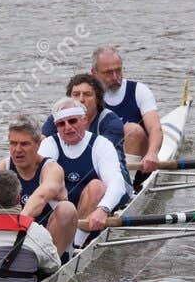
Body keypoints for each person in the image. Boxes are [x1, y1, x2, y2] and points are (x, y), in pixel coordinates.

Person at [0, 116, 77, 259]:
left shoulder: (52, 169)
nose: (17, 150)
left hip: (47, 245)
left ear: (39, 143)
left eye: (24, 144)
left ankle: (50, 267)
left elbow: (40, 198)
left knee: (67, 209)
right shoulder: (2, 167)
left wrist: (16, 229)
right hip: (13, 242)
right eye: (13, 143)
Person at [39, 96, 127, 248]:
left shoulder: (101, 145)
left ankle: (76, 244)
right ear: (56, 126)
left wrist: (103, 209)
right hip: (56, 213)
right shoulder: (49, 144)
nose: (67, 127)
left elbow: (118, 184)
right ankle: (58, 245)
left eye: (72, 121)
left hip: (89, 219)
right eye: (61, 124)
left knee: (97, 186)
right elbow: (41, 186)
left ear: (84, 119)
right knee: (50, 181)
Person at [40, 73, 131, 190]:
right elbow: (41, 144)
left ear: (98, 99)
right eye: (76, 95)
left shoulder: (111, 122)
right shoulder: (57, 119)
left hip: (111, 181)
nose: (81, 99)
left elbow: (92, 155)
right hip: (74, 179)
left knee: (95, 187)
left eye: (87, 95)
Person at [90, 46, 162, 174]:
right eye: (108, 72)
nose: (115, 77)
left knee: (132, 130)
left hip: (139, 163)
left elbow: (155, 128)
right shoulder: (86, 95)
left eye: (118, 70)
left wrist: (152, 153)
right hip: (102, 161)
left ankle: (127, 183)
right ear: (94, 73)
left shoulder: (139, 91)